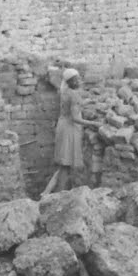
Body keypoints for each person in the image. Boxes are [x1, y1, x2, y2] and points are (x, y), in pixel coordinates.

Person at [42, 68, 95, 196]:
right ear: (71, 82)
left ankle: (48, 192)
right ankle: (56, 195)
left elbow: (72, 105)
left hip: (63, 126)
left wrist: (84, 103)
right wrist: (94, 123)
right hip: (70, 130)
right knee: (65, 166)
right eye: (76, 80)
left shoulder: (65, 92)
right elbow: (76, 118)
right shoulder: (74, 94)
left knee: (64, 165)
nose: (80, 81)